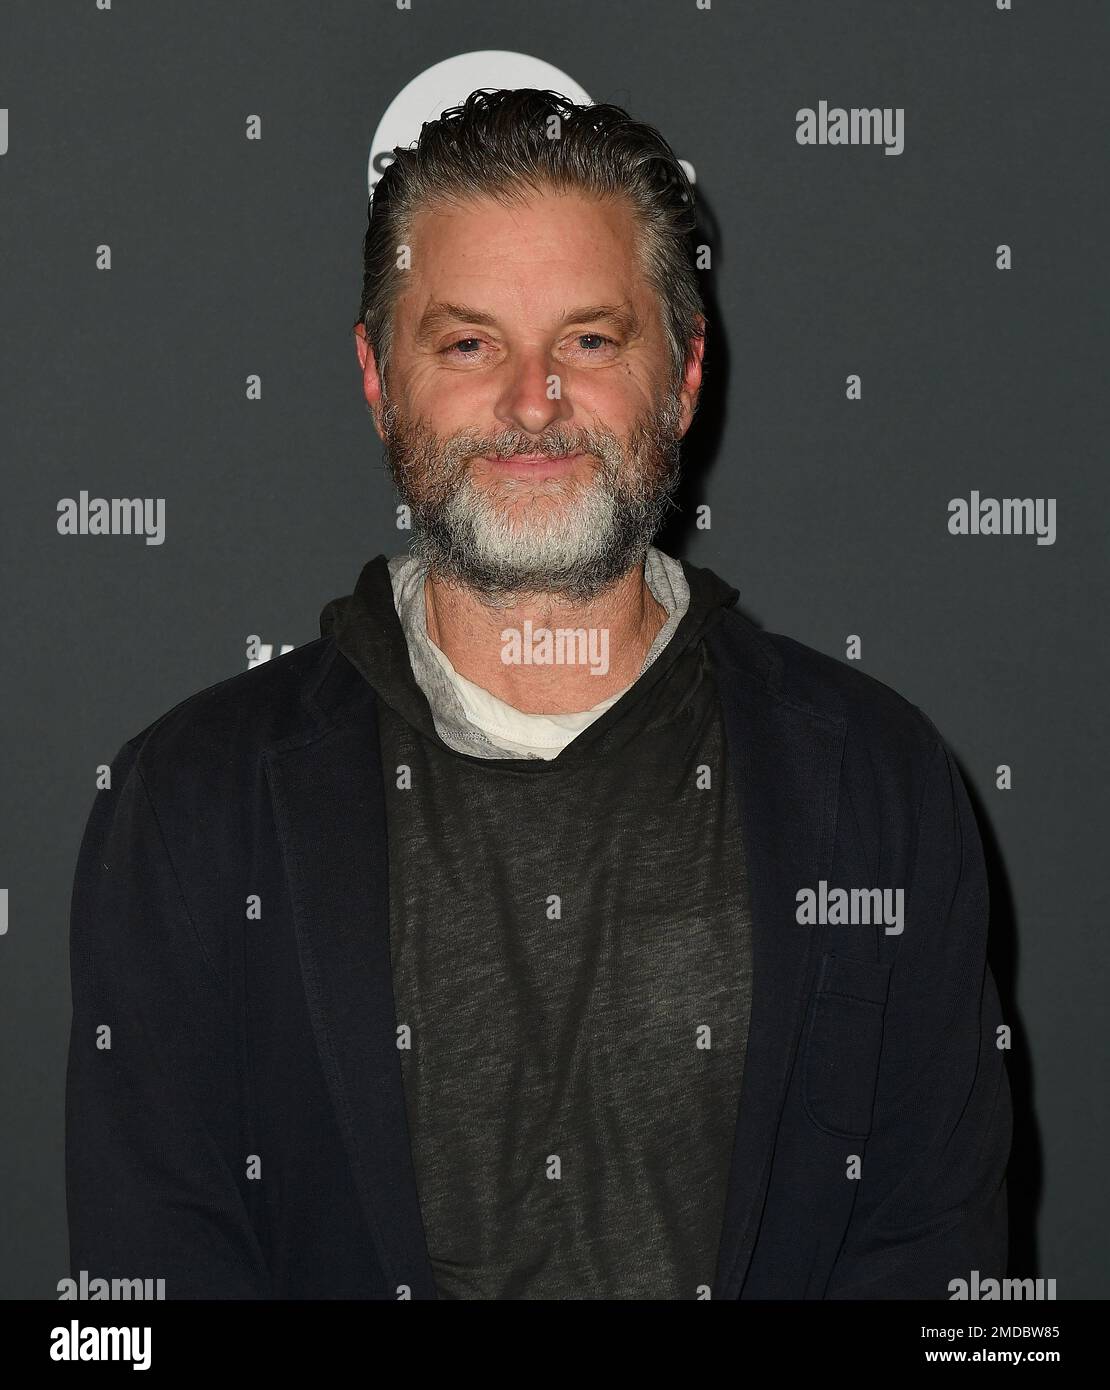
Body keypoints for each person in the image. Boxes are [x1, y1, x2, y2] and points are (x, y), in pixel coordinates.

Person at [65, 88, 1011, 1300]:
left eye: (591, 340)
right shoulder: (189, 805)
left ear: (684, 375)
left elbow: (937, 1266)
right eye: (468, 343)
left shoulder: (877, 783)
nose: (532, 402)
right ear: (377, 376)